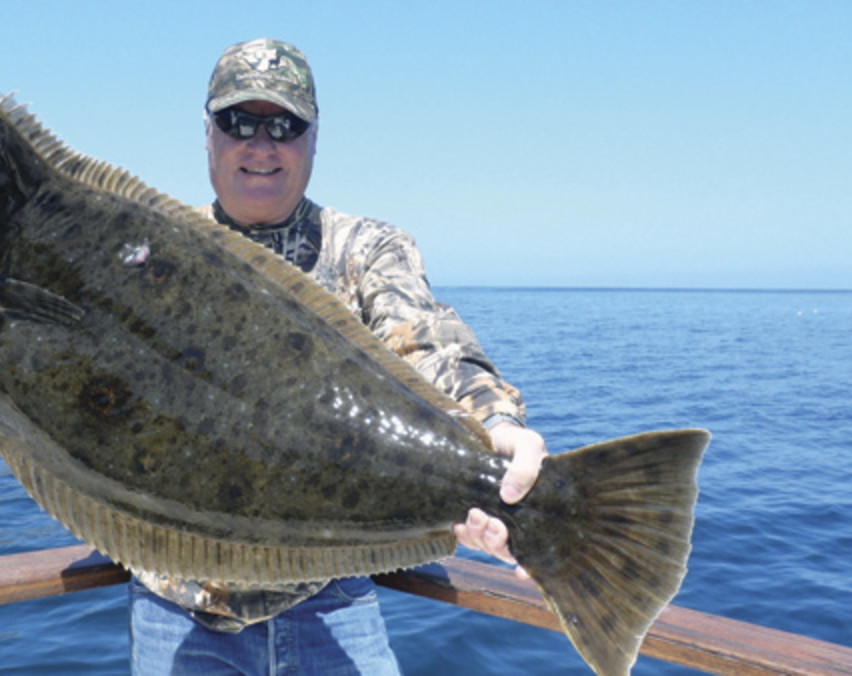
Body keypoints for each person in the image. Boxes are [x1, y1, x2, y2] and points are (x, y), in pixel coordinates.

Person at [128, 38, 549, 675]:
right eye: (239, 122)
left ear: (314, 138)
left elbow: (427, 340)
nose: (261, 144)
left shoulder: (365, 248)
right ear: (208, 135)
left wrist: (495, 427)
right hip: (176, 606)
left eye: (286, 125)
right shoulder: (150, 252)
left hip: (331, 598)